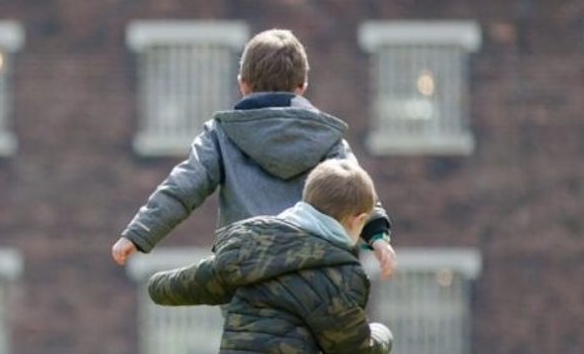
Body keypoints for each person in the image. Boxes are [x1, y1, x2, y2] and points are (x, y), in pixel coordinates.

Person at [111, 28, 396, 280]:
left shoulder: (221, 135)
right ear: (301, 86)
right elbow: (355, 190)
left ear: (242, 83)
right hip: (314, 274)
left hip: (246, 273)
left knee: (246, 336)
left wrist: (138, 234)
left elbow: (185, 185)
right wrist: (377, 237)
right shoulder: (326, 138)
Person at [146, 159, 394, 353]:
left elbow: (197, 281)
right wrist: (381, 334)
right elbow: (353, 347)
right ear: (358, 220)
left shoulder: (254, 244)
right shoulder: (337, 276)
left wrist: (158, 285)